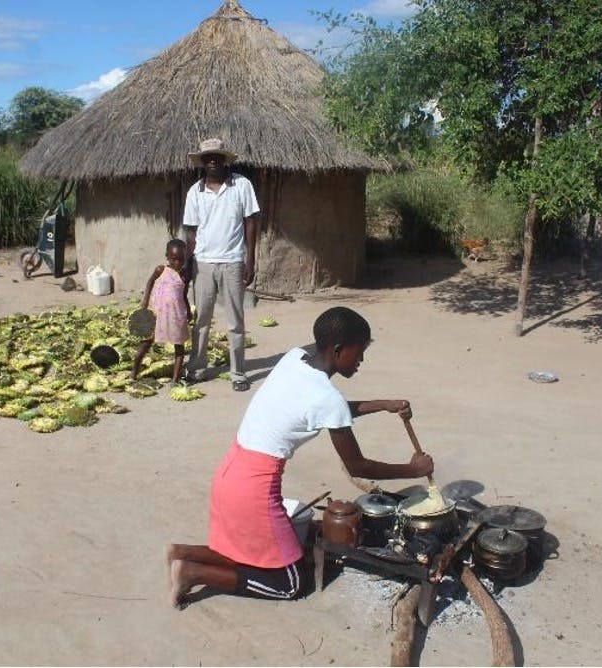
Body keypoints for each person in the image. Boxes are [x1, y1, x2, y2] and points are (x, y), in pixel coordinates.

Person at [165, 306, 434, 607]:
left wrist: (384, 404)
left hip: (231, 471)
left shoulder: (295, 358)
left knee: (252, 551)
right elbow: (357, 465)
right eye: (359, 353)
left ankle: (183, 553)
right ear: (338, 350)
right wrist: (413, 470)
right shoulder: (327, 398)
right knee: (289, 583)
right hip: (254, 489)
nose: (361, 361)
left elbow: (329, 411)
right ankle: (191, 572)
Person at [181, 138, 259, 392]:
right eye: (208, 157)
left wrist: (251, 258)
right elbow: (191, 232)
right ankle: (197, 369)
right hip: (203, 264)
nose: (212, 161)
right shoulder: (195, 192)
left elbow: (251, 222)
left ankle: (238, 373)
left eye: (217, 156)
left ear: (225, 159)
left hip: (233, 262)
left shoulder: (241, 185)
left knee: (235, 321)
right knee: (201, 319)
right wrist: (187, 262)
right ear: (202, 162)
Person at [132, 239, 191, 382]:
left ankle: (175, 380)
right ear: (167, 256)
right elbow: (150, 282)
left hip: (176, 315)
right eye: (174, 259)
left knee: (179, 347)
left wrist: (188, 309)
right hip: (157, 313)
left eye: (181, 259)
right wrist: (145, 300)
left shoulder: (185, 275)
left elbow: (183, 294)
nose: (177, 263)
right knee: (145, 344)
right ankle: (134, 372)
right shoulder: (160, 270)